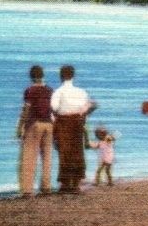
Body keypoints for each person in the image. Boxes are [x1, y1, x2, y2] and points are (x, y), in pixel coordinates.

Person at [51, 65, 96, 194]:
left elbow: (54, 107)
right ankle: (76, 184)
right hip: (77, 122)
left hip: (63, 123)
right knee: (77, 152)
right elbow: (85, 108)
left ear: (61, 76)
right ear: (73, 76)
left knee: (64, 153)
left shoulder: (58, 92)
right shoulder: (81, 92)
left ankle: (65, 184)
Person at [16, 65, 54, 197]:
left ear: (31, 76)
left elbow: (26, 109)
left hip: (34, 124)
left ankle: (27, 189)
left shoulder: (30, 90)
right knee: (47, 156)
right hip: (49, 124)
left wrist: (20, 127)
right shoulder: (50, 90)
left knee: (29, 156)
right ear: (43, 75)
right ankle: (46, 186)